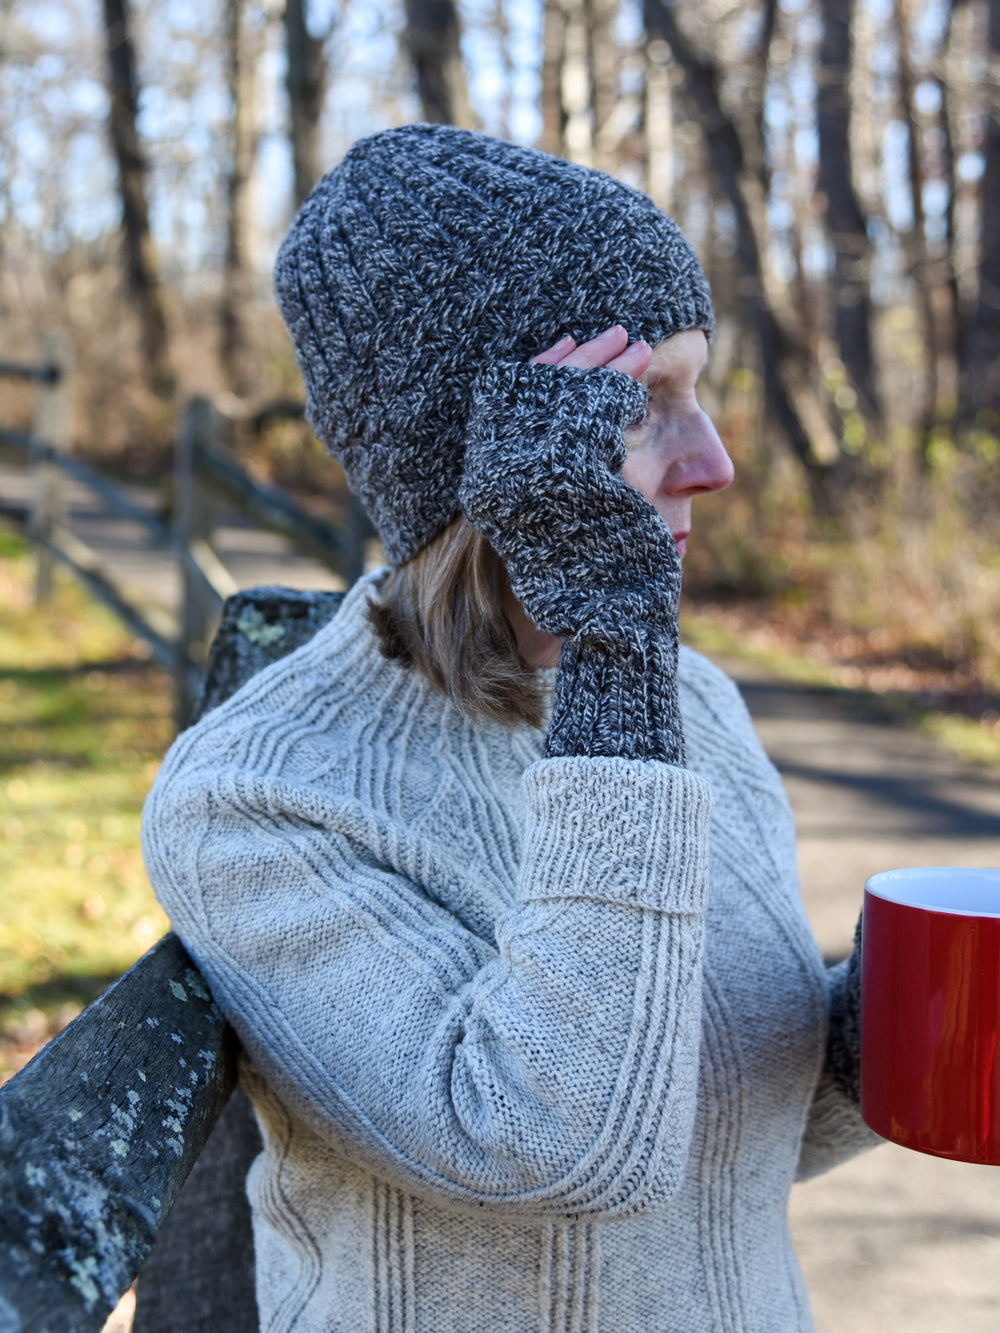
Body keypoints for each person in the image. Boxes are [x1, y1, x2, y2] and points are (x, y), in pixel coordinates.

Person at [142, 123, 876, 1333]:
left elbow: (721, 1133)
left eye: (700, 393)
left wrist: (894, 1027)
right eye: (642, 405)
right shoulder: (261, 798)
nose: (715, 462)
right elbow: (557, 1149)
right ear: (488, 455)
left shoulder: (695, 703)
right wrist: (615, 659)